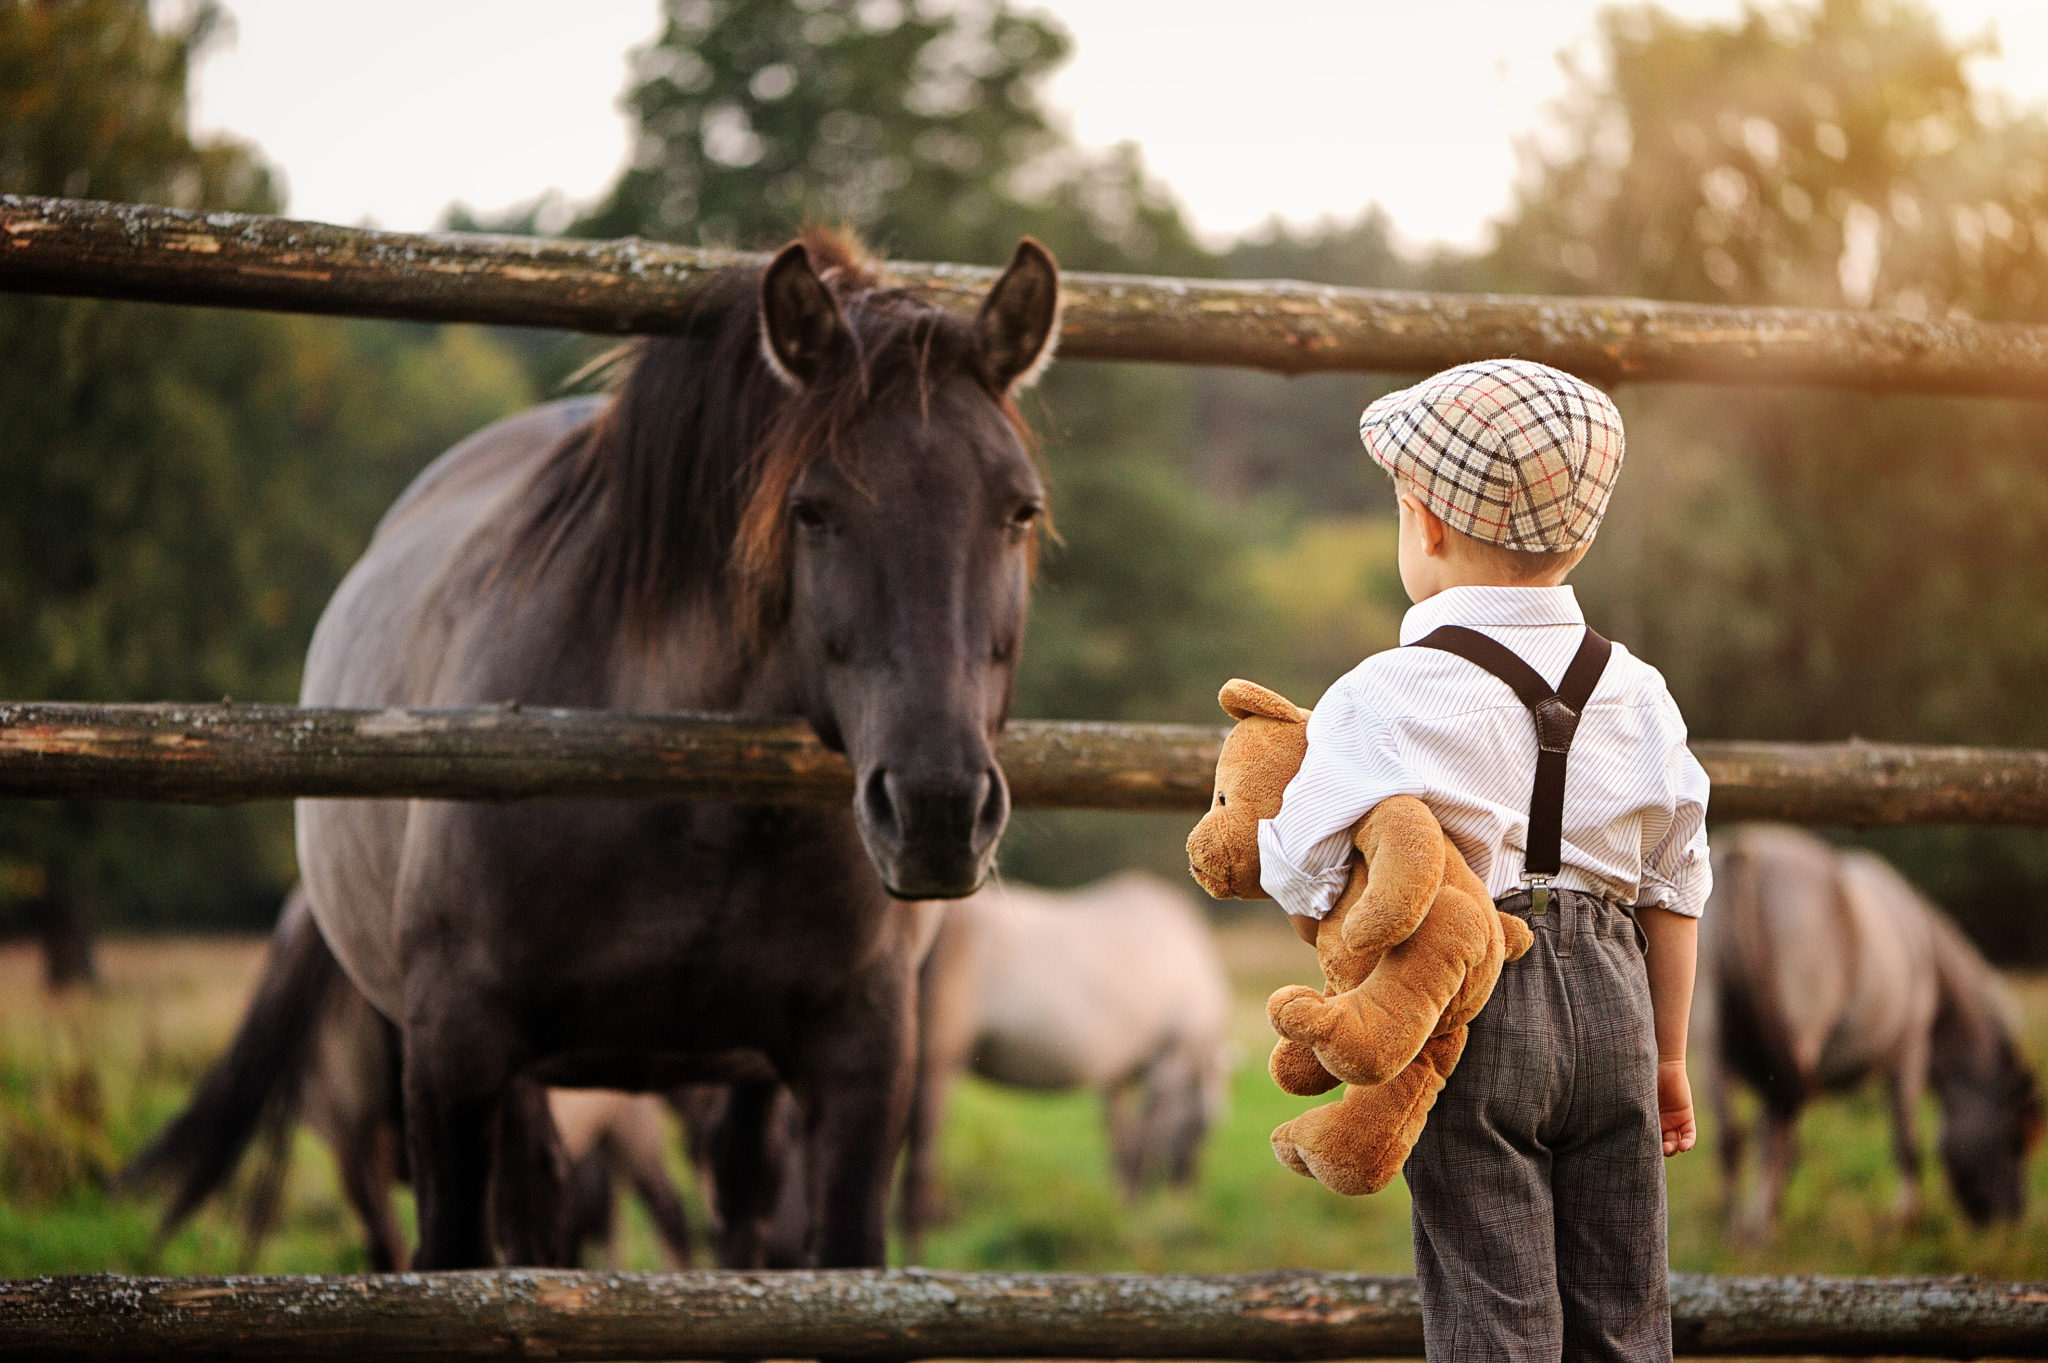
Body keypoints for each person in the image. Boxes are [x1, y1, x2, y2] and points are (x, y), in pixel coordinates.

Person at [1258, 358, 1709, 1362]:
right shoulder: (1638, 691)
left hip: (1472, 1007)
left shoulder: (1382, 693)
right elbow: (1673, 885)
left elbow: (1298, 864)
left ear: (1425, 526)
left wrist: (1291, 864)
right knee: (1626, 1314)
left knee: (1489, 1310)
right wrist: (1667, 1053)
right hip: (1617, 1006)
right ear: (1581, 532)